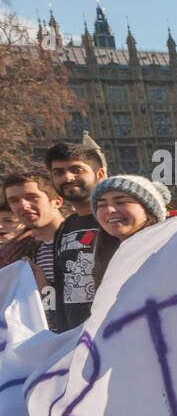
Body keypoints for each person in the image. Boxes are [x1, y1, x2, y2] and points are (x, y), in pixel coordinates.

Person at [45, 142, 107, 332]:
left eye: (76, 170)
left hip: (115, 333)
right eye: (58, 172)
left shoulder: (115, 219)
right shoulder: (64, 228)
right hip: (76, 339)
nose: (68, 178)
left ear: (100, 174)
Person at [2, 171, 66, 329]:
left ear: (56, 202)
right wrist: (43, 288)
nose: (23, 206)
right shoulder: (26, 253)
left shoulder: (84, 240)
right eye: (14, 200)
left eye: (32, 197)